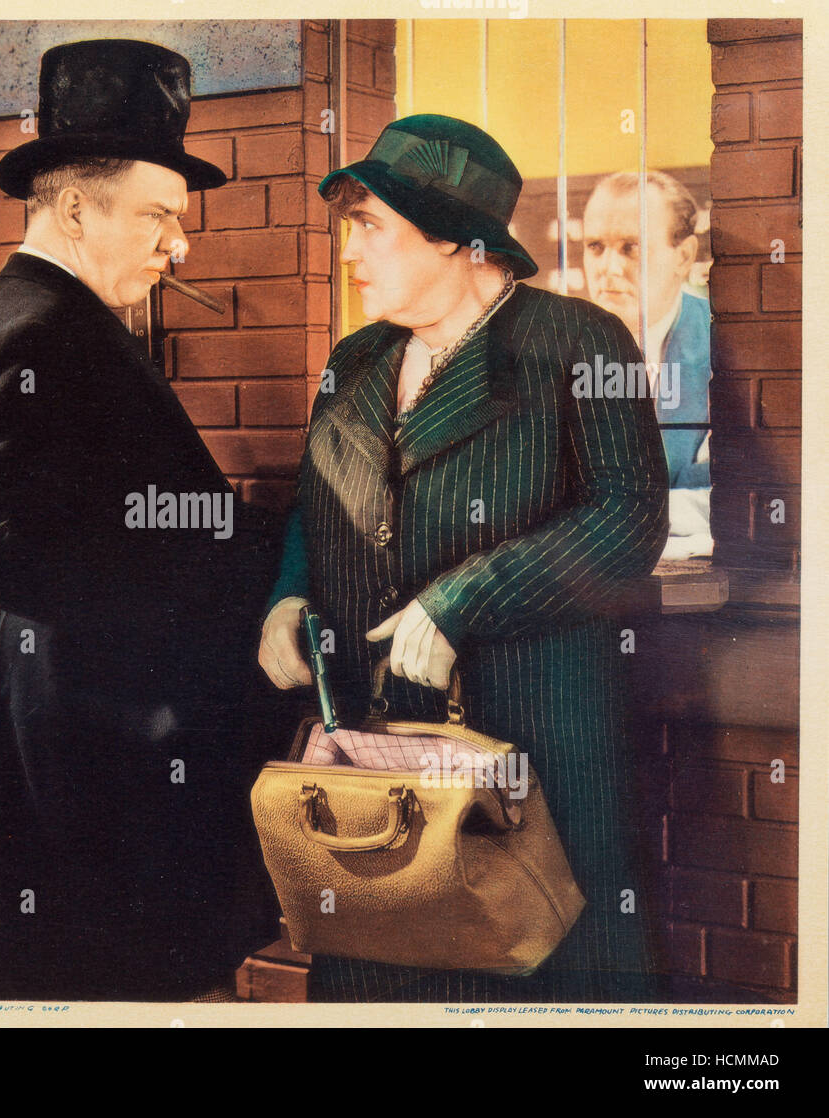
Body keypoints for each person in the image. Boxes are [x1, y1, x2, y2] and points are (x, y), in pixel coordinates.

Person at [258, 114, 670, 1002]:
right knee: (380, 983)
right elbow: (313, 506)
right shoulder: (355, 357)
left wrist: (461, 603)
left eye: (371, 225)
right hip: (379, 764)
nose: (350, 252)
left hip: (537, 753)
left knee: (538, 984)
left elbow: (628, 521)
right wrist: (287, 598)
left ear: (453, 237)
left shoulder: (581, 343)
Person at [0, 39, 278, 1001]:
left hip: (79, 738)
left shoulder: (51, 318)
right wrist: (214, 568)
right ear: (76, 207)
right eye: (160, 215)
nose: (182, 244)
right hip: (80, 756)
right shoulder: (41, 330)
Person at [583, 171, 712, 555]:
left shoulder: (724, 345)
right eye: (595, 247)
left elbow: (728, 500)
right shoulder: (547, 347)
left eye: (630, 247)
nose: (609, 268)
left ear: (684, 256)